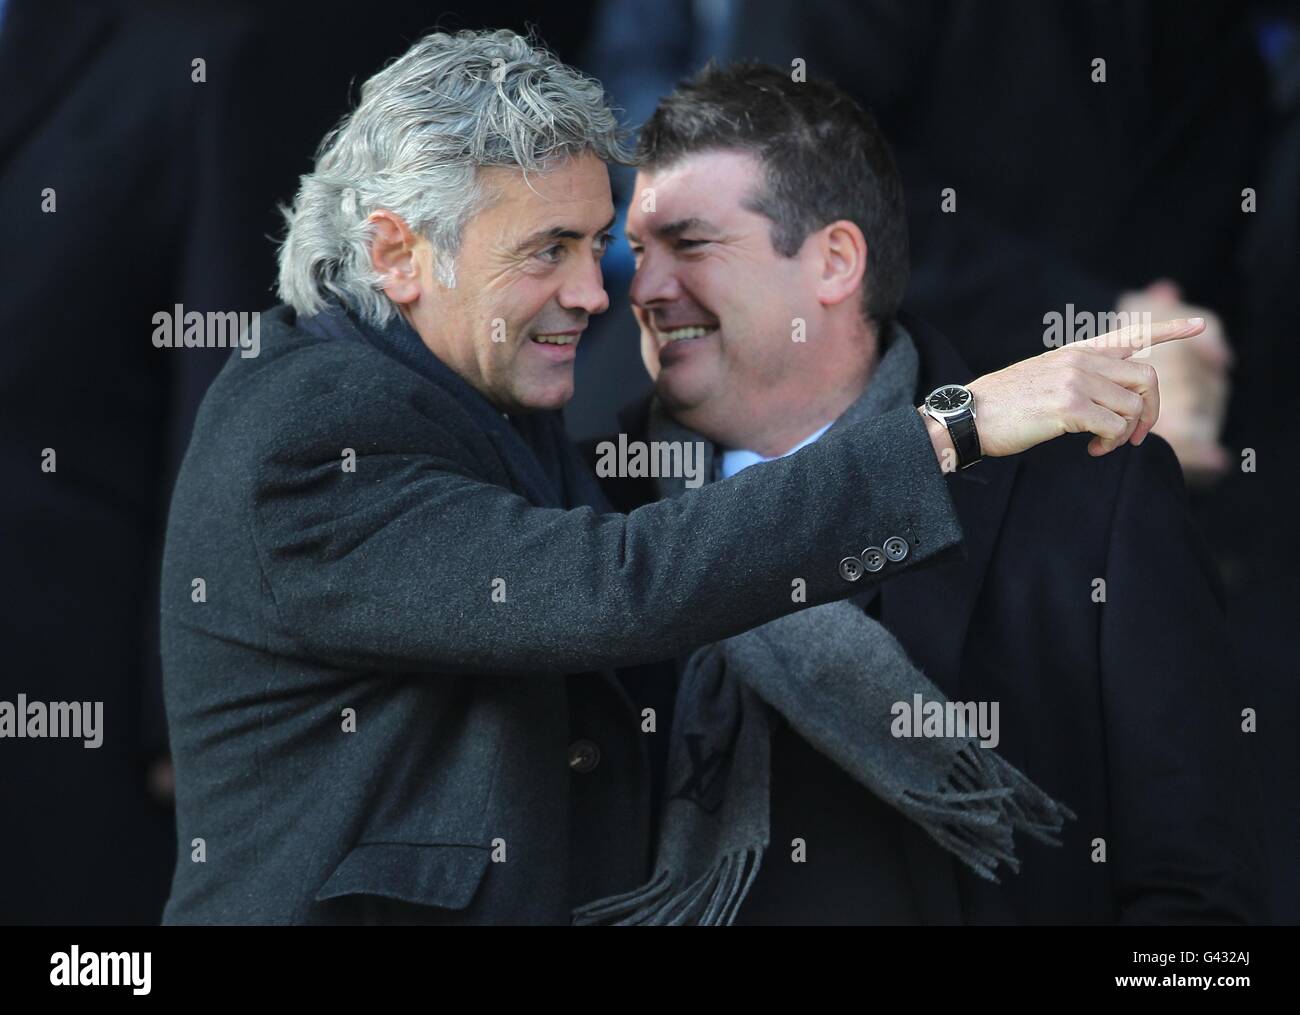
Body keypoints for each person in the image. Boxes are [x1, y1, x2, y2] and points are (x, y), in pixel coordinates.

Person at [160, 30, 1201, 925]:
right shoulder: (313, 428)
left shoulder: (1088, 509)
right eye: (550, 250)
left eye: (603, 244)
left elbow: (1194, 885)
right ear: (397, 253)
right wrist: (955, 429)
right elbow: (614, 587)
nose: (604, 290)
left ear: (834, 263)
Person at [594, 62, 1263, 924]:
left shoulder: (1092, 504)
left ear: (834, 262)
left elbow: (1205, 908)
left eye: (690, 245)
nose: (643, 290)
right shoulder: (582, 502)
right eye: (637, 251)